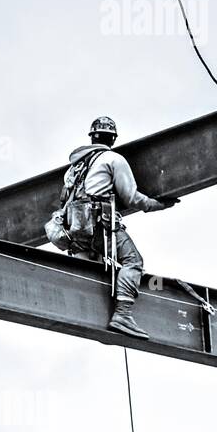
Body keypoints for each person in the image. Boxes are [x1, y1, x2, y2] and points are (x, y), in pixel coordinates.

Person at [61, 116, 177, 340]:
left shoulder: (74, 169)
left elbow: (64, 201)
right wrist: (158, 205)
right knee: (133, 261)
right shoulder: (113, 159)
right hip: (99, 225)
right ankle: (122, 314)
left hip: (76, 229)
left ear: (92, 137)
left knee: (92, 270)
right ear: (112, 138)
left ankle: (83, 308)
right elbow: (132, 197)